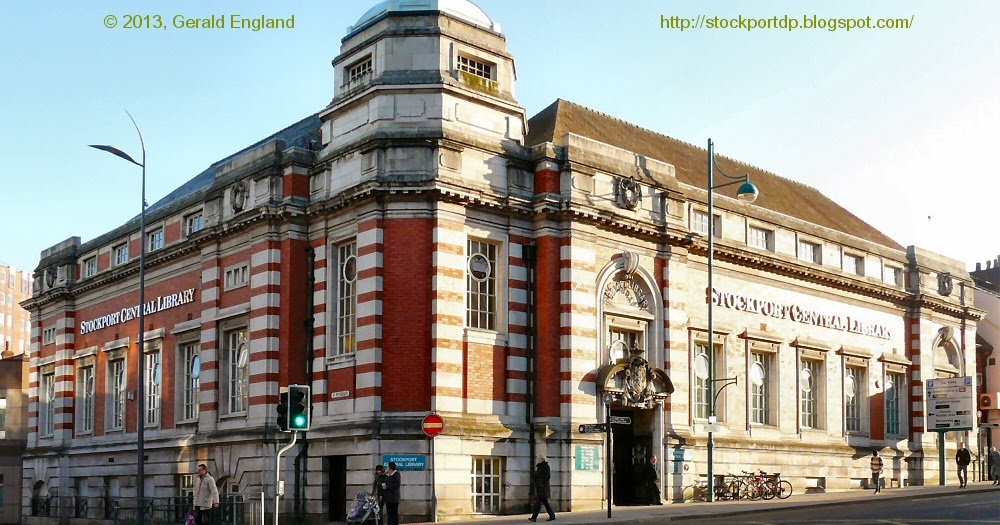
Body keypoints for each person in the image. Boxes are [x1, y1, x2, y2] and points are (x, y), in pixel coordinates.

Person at [529, 455, 555, 522]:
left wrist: (542, 483)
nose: (538, 459)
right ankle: (552, 515)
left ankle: (534, 517)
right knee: (546, 503)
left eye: (540, 458)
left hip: (543, 488)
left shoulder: (546, 466)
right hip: (539, 487)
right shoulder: (539, 467)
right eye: (538, 458)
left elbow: (547, 476)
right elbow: (537, 476)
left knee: (538, 503)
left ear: (543, 459)